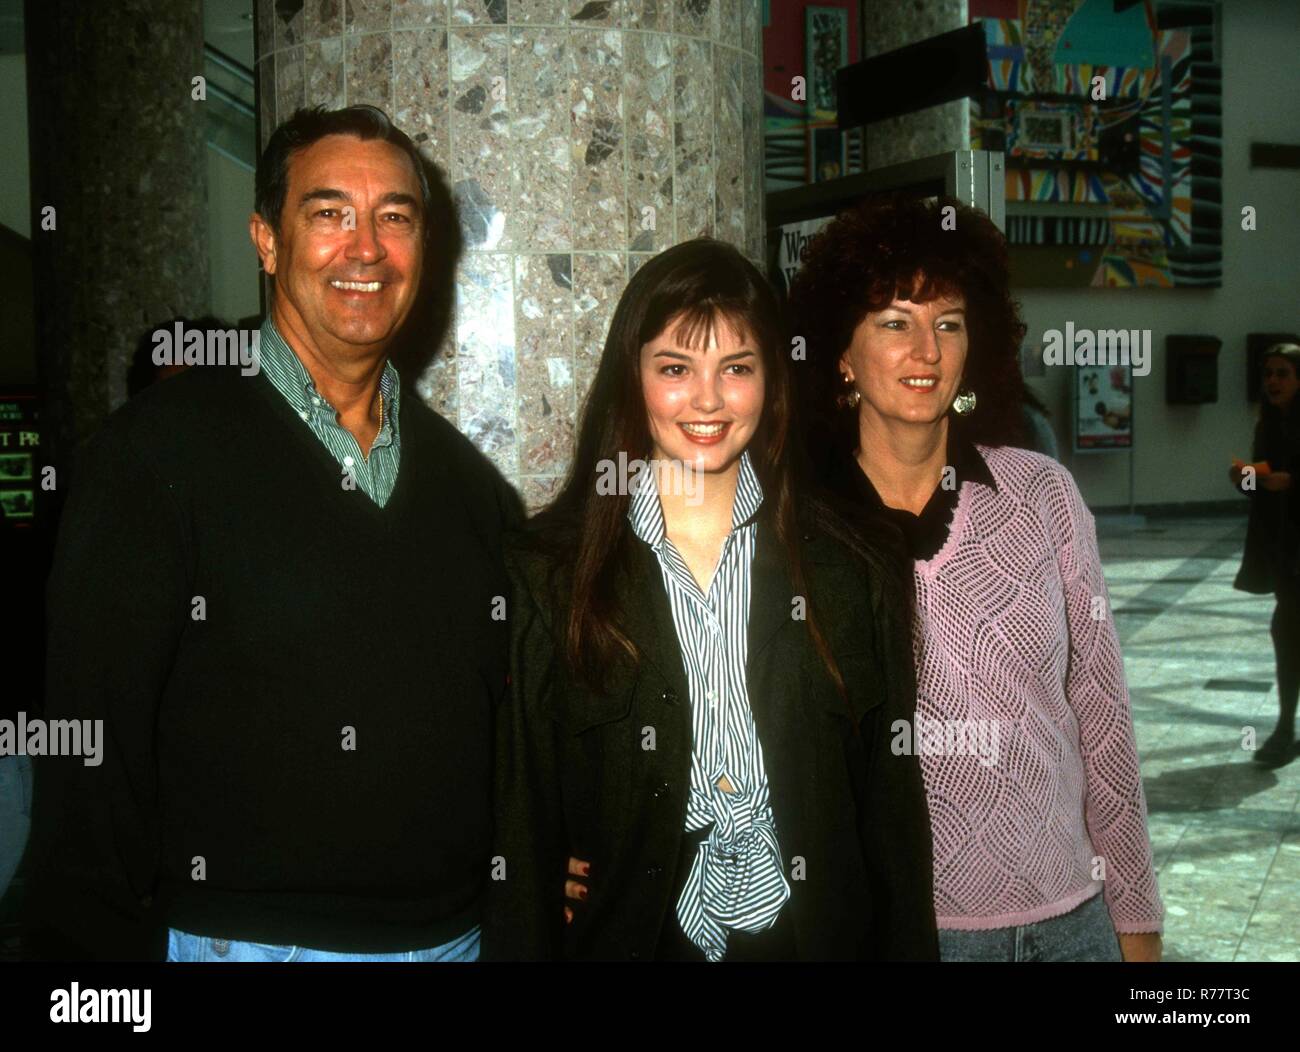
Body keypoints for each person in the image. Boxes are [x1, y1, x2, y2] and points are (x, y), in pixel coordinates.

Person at [28, 105, 520, 962]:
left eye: (393, 218)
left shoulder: (474, 493)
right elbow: (90, 763)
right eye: (328, 214)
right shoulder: (153, 458)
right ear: (266, 240)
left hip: (454, 943)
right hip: (241, 945)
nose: (364, 247)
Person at [485, 238, 938, 961]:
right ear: (631, 381)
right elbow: (523, 822)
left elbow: (893, 820)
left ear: (771, 383)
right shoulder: (549, 575)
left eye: (736, 368)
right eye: (674, 368)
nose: (706, 399)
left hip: (818, 937)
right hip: (635, 937)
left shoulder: (856, 563)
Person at [788, 194, 1164, 962]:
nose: (925, 349)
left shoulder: (1041, 494)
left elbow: (1101, 710)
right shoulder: (803, 527)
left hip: (1073, 922)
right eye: (895, 322)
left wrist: (1136, 913)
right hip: (911, 935)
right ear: (842, 354)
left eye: (947, 322)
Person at [1230, 342, 1300, 767]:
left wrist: (1292, 484)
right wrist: (1244, 480)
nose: (1273, 381)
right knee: (1287, 629)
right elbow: (1260, 485)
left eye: (1283, 373)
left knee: (1288, 628)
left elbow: (1288, 481)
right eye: (1269, 373)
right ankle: (1286, 728)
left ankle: (1285, 730)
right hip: (1283, 544)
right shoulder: (1268, 424)